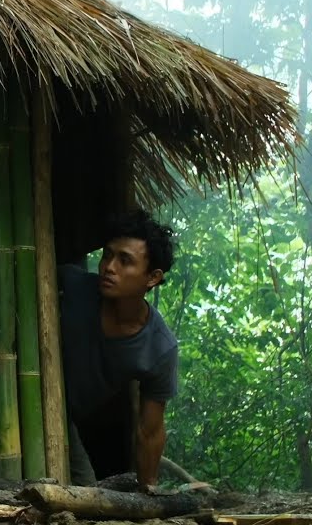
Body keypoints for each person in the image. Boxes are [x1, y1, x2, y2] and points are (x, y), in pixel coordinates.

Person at [59, 209, 178, 493]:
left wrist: (147, 495)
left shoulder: (159, 348)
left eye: (125, 261)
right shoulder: (71, 285)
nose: (109, 267)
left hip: (64, 420)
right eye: (107, 255)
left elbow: (150, 431)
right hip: (17, 391)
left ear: (152, 277)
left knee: (86, 498)